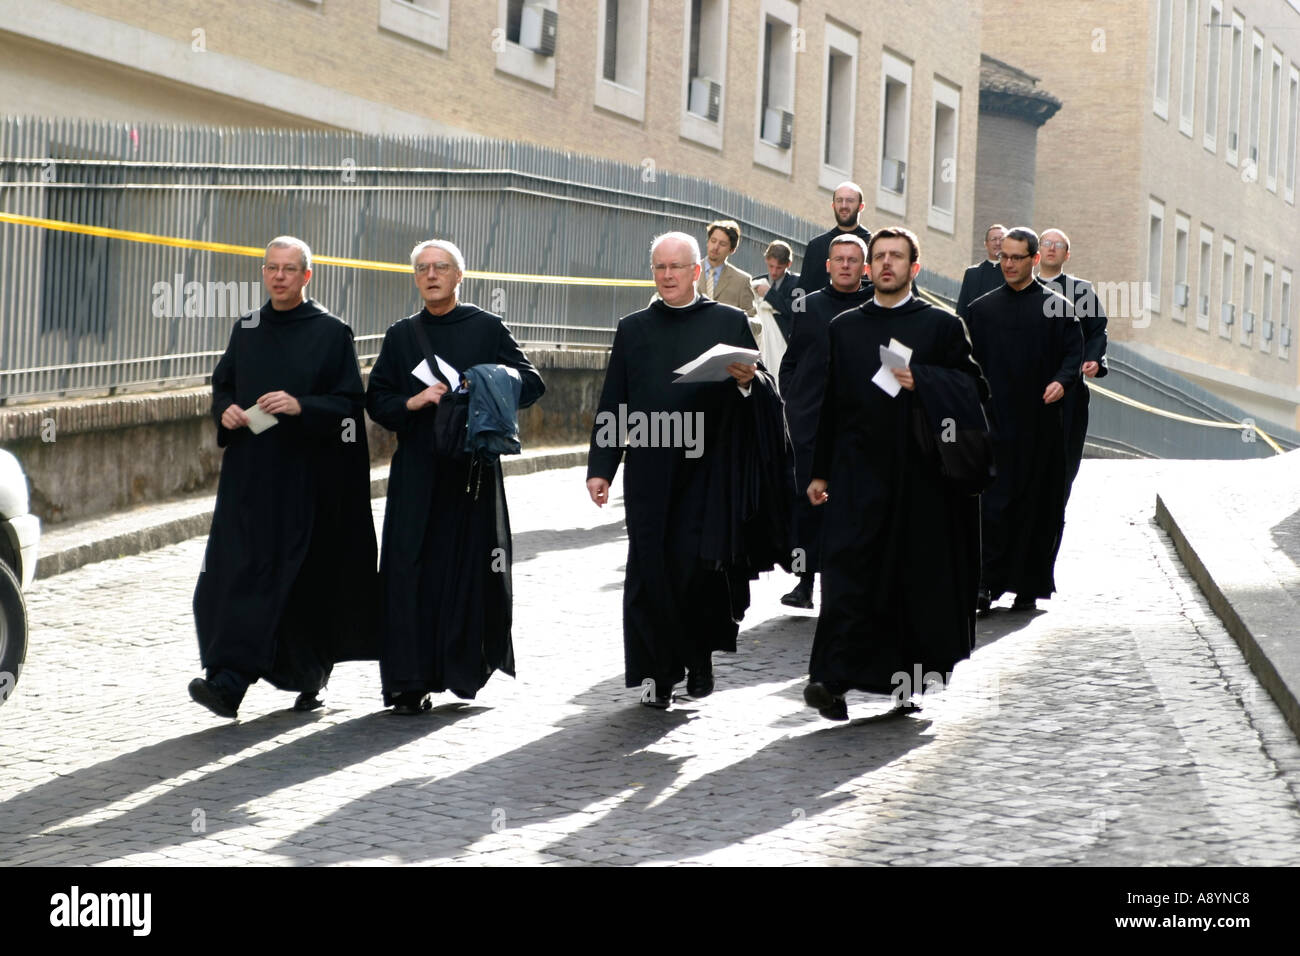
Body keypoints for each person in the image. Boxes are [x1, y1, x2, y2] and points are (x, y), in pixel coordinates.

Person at [586, 232, 790, 709]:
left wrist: (745, 382)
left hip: (708, 470)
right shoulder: (633, 327)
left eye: (677, 267)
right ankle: (656, 672)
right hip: (651, 468)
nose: (668, 275)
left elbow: (761, 385)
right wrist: (602, 467)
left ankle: (698, 659)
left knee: (697, 570)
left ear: (697, 271)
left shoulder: (727, 319)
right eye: (660, 267)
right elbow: (614, 399)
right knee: (649, 568)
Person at [802, 227, 989, 721]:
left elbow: (975, 392)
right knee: (847, 575)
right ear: (868, 268)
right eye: (879, 257)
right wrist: (820, 471)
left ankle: (906, 680)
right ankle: (831, 680)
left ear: (914, 268)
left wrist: (923, 379)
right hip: (857, 475)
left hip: (921, 480)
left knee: (909, 580)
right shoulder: (844, 327)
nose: (886, 264)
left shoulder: (941, 327)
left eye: (896, 257)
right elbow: (832, 405)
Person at [190, 236, 378, 719]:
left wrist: (302, 406)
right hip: (249, 479)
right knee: (233, 576)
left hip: (305, 481)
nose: (278, 277)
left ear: (306, 276)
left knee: (298, 583)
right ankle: (227, 681)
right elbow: (224, 384)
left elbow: (349, 408)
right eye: (271, 268)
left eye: (289, 269)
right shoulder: (247, 327)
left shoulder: (331, 332)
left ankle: (309, 672)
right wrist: (225, 412)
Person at [365, 240, 545, 714]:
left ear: (458, 276)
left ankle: (461, 669)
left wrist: (483, 380)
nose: (430, 275)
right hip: (417, 471)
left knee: (465, 569)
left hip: (472, 470)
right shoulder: (401, 335)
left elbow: (532, 382)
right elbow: (377, 399)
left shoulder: (486, 327)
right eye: (422, 268)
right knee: (407, 569)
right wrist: (414, 402)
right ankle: (408, 679)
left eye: (440, 267)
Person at [965, 227, 1083, 613]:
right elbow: (966, 362)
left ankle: (1028, 584)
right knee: (991, 506)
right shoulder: (980, 310)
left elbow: (1072, 355)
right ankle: (984, 583)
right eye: (1004, 257)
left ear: (1035, 260)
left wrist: (1062, 382)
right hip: (994, 422)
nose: (1009, 264)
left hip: (1039, 425)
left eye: (1017, 258)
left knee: (1037, 506)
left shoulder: (1059, 308)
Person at [777, 234, 874, 610]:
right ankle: (804, 582)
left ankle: (849, 584)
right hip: (810, 421)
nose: (846, 265)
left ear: (864, 267)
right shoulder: (809, 306)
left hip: (858, 423)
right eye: (839, 259)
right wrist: (793, 401)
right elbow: (794, 358)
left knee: (851, 503)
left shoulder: (876, 305)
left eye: (853, 259)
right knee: (806, 502)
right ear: (828, 265)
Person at [1036, 228, 1109, 504]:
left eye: (1058, 245)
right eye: (1046, 243)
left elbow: (1098, 329)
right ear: (1037, 251)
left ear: (1067, 254)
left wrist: (1093, 359)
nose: (1051, 248)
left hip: (1069, 387)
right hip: (1030, 383)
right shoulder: (1021, 286)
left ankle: (1056, 504)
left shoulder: (1080, 290)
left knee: (1065, 452)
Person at [796, 182, 871, 299]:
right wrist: (799, 315)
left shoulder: (874, 246)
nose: (844, 205)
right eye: (839, 200)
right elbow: (802, 291)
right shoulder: (816, 245)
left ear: (861, 206)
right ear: (833, 205)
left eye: (850, 200)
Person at [751, 240, 800, 384]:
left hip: (786, 346)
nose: (773, 272)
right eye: (771, 266)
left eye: (779, 268)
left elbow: (798, 312)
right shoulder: (756, 281)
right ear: (766, 260)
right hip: (760, 346)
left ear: (788, 265)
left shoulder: (799, 283)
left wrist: (769, 294)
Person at [700, 219, 756, 315]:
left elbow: (754, 322)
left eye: (722, 244)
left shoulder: (742, 281)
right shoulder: (689, 270)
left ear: (732, 250)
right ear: (708, 242)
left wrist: (735, 322)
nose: (716, 247)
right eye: (713, 241)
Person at [955, 224, 1006, 319]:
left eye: (1002, 239)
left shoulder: (1013, 273)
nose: (998, 243)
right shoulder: (972, 273)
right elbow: (962, 309)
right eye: (994, 239)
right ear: (986, 244)